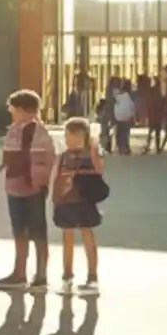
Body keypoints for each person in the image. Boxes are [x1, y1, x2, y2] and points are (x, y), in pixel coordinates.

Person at [0, 89, 56, 293]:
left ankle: (41, 273)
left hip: (33, 188)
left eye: (14, 109)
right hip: (14, 187)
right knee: (19, 230)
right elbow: (8, 158)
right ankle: (19, 272)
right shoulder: (13, 130)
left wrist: (39, 180)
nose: (11, 112)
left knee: (38, 231)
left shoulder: (39, 132)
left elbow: (47, 159)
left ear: (26, 110)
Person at [51, 118, 105, 296]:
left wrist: (94, 149)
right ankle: (67, 275)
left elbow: (100, 171)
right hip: (66, 201)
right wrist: (55, 196)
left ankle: (92, 276)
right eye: (68, 136)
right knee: (67, 237)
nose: (70, 140)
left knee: (87, 234)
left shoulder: (91, 153)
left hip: (84, 201)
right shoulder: (63, 155)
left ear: (85, 137)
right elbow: (56, 176)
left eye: (75, 136)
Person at [112, 80, 135, 156]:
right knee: (125, 132)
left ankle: (120, 147)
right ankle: (125, 147)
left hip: (118, 117)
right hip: (126, 117)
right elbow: (131, 106)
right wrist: (132, 115)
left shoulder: (117, 95)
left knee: (119, 132)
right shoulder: (128, 96)